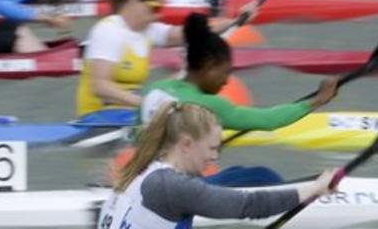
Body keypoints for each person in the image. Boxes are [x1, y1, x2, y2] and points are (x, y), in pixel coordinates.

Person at [87, 101, 338, 229]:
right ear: (186, 144)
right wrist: (314, 188)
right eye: (212, 148)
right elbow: (247, 206)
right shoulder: (171, 185)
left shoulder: (142, 173)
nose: (215, 157)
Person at [139, 12, 338, 185]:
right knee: (263, 176)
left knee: (235, 172)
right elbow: (268, 120)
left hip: (143, 180)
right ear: (209, 66)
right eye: (225, 72)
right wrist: (318, 100)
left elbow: (137, 137)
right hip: (180, 192)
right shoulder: (207, 106)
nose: (226, 81)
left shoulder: (154, 89)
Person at [75, 0, 246, 119]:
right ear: (134, 1)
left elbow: (194, 32)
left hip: (128, 115)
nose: (157, 16)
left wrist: (236, 20)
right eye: (154, 8)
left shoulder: (148, 30)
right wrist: (148, 104)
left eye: (161, 9)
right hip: (98, 118)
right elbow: (100, 87)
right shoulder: (109, 30)